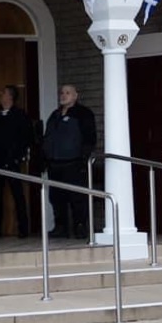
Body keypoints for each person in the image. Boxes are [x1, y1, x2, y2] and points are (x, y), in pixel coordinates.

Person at [43, 84, 97, 241]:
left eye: (67, 93)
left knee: (77, 197)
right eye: (62, 92)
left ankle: (80, 227)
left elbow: (90, 138)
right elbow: (48, 137)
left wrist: (83, 159)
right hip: (55, 164)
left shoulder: (83, 114)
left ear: (75, 96)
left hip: (74, 163)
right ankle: (60, 227)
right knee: (56, 197)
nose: (63, 95)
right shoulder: (55, 114)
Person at [0, 85, 35, 239]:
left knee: (18, 194)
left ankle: (23, 228)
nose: (0, 95)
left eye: (4, 93)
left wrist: (17, 156)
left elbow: (26, 137)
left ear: (11, 96)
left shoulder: (20, 115)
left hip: (12, 161)